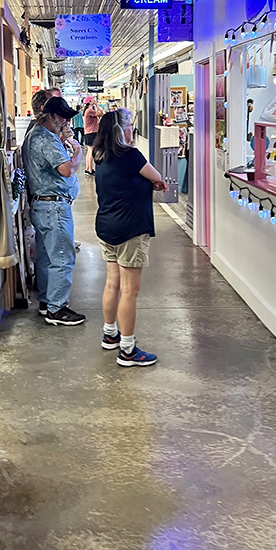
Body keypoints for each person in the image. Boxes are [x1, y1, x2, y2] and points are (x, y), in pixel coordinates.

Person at [93, 108, 167, 366]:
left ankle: (110, 334)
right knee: (130, 290)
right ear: (118, 130)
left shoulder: (100, 156)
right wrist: (153, 183)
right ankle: (127, 350)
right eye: (127, 125)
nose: (131, 130)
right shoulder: (131, 156)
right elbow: (156, 177)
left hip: (107, 227)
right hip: (130, 230)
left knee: (112, 282)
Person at [22, 96, 86, 326]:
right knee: (61, 256)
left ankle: (47, 301)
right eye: (63, 118)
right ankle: (57, 309)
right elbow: (67, 169)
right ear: (50, 116)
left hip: (43, 205)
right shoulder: (46, 139)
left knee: (48, 256)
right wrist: (77, 151)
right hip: (54, 206)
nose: (66, 122)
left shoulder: (35, 135)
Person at [83, 98, 103, 174]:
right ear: (89, 102)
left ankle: (88, 168)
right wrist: (97, 105)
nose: (94, 100)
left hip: (88, 132)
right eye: (92, 100)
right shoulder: (90, 111)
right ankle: (90, 169)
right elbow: (101, 113)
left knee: (89, 151)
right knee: (91, 151)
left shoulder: (87, 111)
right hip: (92, 132)